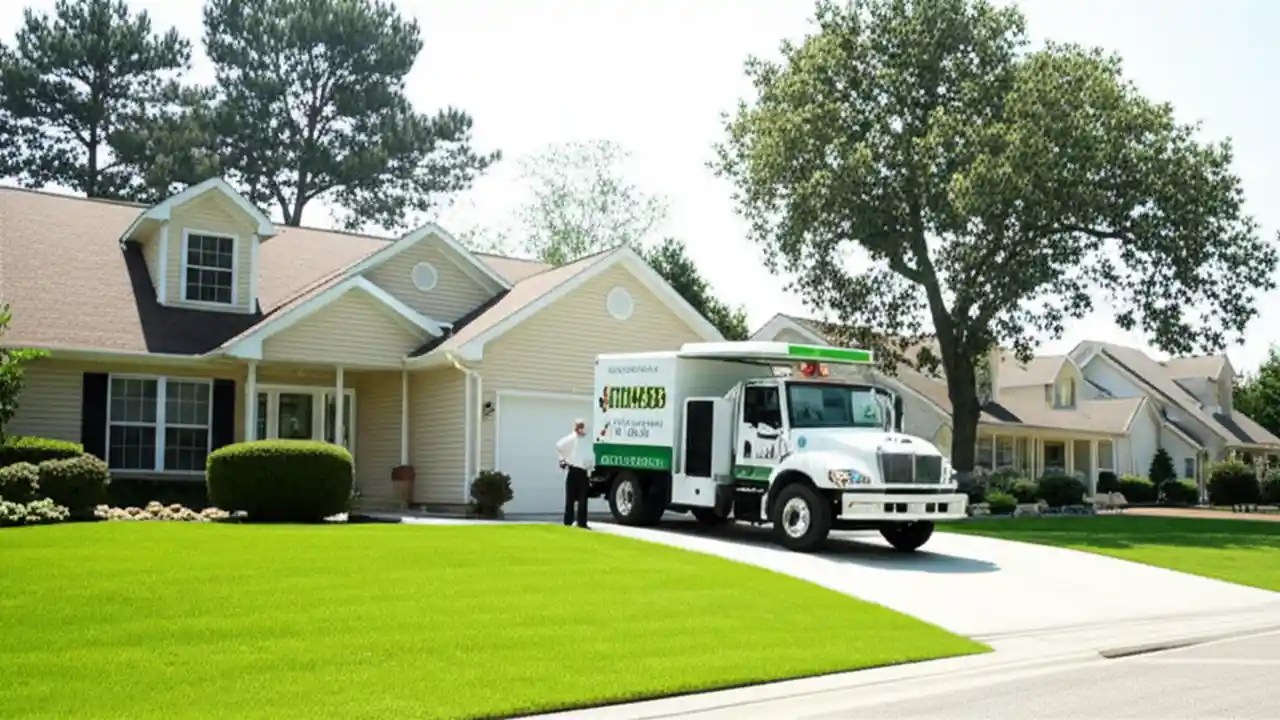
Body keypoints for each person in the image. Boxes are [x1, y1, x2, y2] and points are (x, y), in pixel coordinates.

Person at [555, 418, 592, 528]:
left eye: (581, 426)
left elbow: (590, 456)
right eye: (578, 426)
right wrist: (562, 460)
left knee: (583, 499)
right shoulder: (571, 439)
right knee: (570, 498)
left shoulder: (587, 440)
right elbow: (559, 447)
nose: (580, 429)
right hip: (573, 470)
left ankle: (582, 522)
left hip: (583, 472)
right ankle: (568, 521)